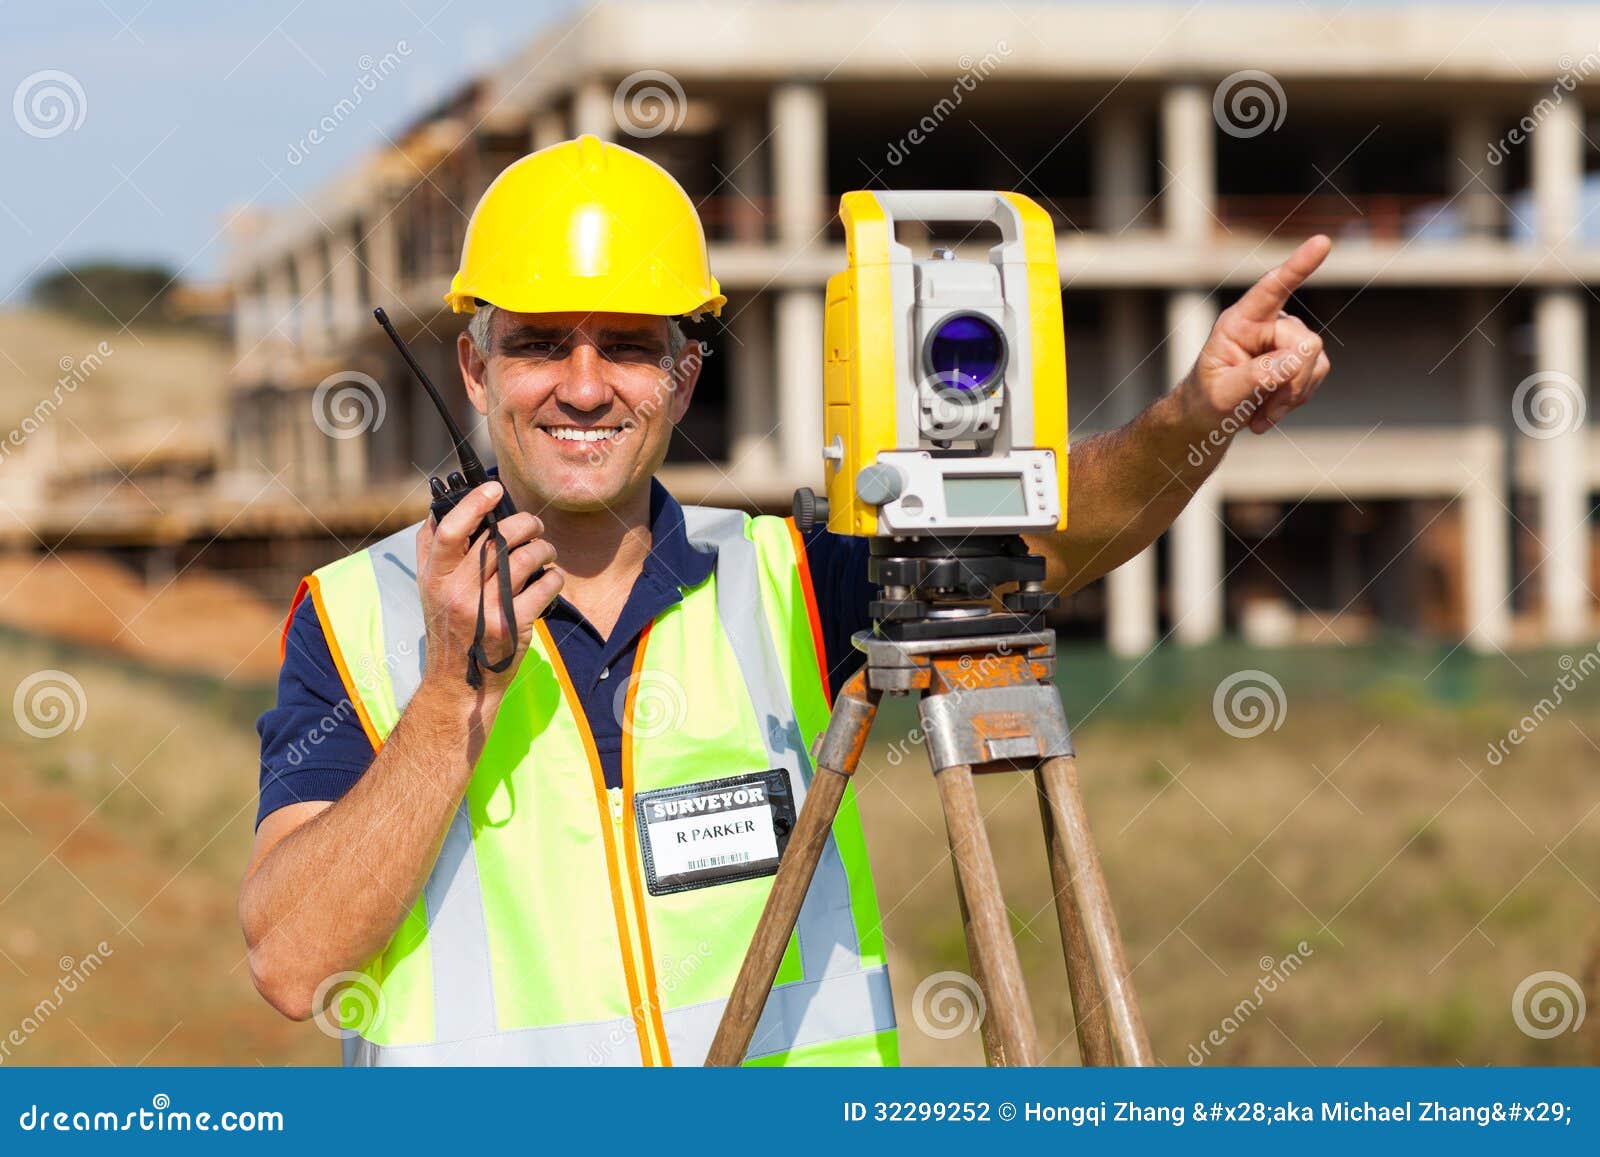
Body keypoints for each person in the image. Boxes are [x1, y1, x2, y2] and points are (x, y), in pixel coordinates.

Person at [239, 134, 1332, 1067]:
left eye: (628, 345)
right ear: (473, 370)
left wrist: (1194, 417)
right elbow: (292, 960)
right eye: (538, 345)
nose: (582, 384)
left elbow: (1047, 537)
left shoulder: (781, 576)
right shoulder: (356, 614)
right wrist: (446, 695)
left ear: (685, 377)